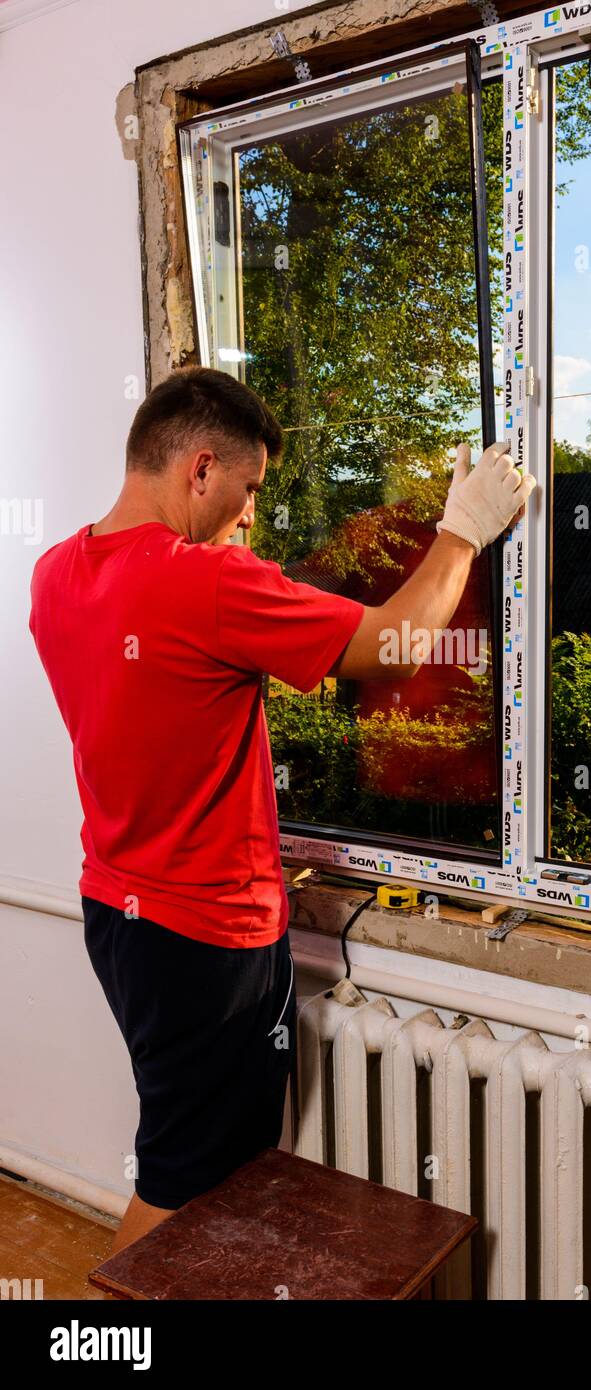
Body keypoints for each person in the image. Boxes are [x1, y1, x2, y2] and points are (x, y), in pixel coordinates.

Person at [28, 365, 536, 1255]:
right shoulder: (205, 585)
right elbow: (396, 645)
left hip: (118, 915)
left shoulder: (55, 574)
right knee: (191, 1185)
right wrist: (463, 533)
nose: (253, 514)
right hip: (206, 937)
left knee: (192, 1156)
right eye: (249, 488)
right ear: (198, 469)